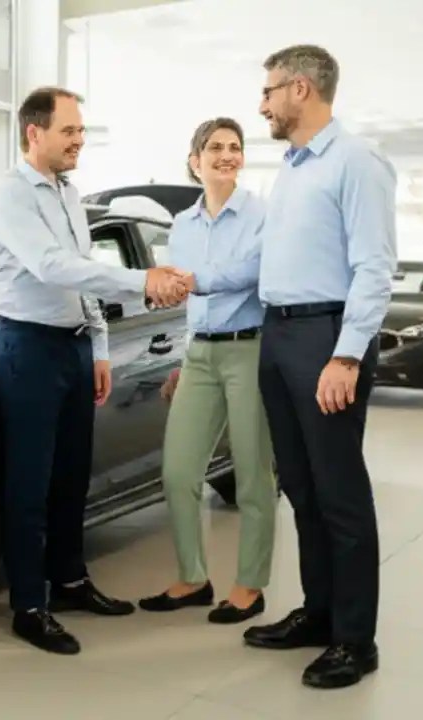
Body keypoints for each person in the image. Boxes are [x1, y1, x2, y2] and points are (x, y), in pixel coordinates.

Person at [0, 85, 192, 655]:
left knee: (73, 472)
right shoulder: (10, 196)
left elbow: (84, 273)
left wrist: (98, 346)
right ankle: (30, 605)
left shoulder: (69, 192)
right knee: (30, 481)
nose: (79, 141)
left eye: (80, 131)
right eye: (69, 131)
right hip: (28, 348)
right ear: (34, 133)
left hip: (73, 348)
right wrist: (144, 280)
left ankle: (70, 579)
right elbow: (52, 267)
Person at [234, 45, 396, 690]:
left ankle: (356, 640)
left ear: (300, 89)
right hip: (281, 336)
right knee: (301, 489)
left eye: (270, 90)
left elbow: (375, 269)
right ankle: (320, 611)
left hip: (327, 339)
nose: (263, 103)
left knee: (340, 495)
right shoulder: (295, 167)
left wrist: (348, 354)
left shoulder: (356, 162)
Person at [136, 118, 278, 625]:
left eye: (235, 147)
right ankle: (192, 578)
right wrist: (182, 358)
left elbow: (253, 274)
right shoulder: (183, 224)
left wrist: (196, 281)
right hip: (200, 353)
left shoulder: (262, 213)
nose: (227, 154)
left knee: (254, 476)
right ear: (195, 160)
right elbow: (186, 302)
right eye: (215, 147)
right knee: (178, 471)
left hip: (249, 350)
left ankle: (250, 585)